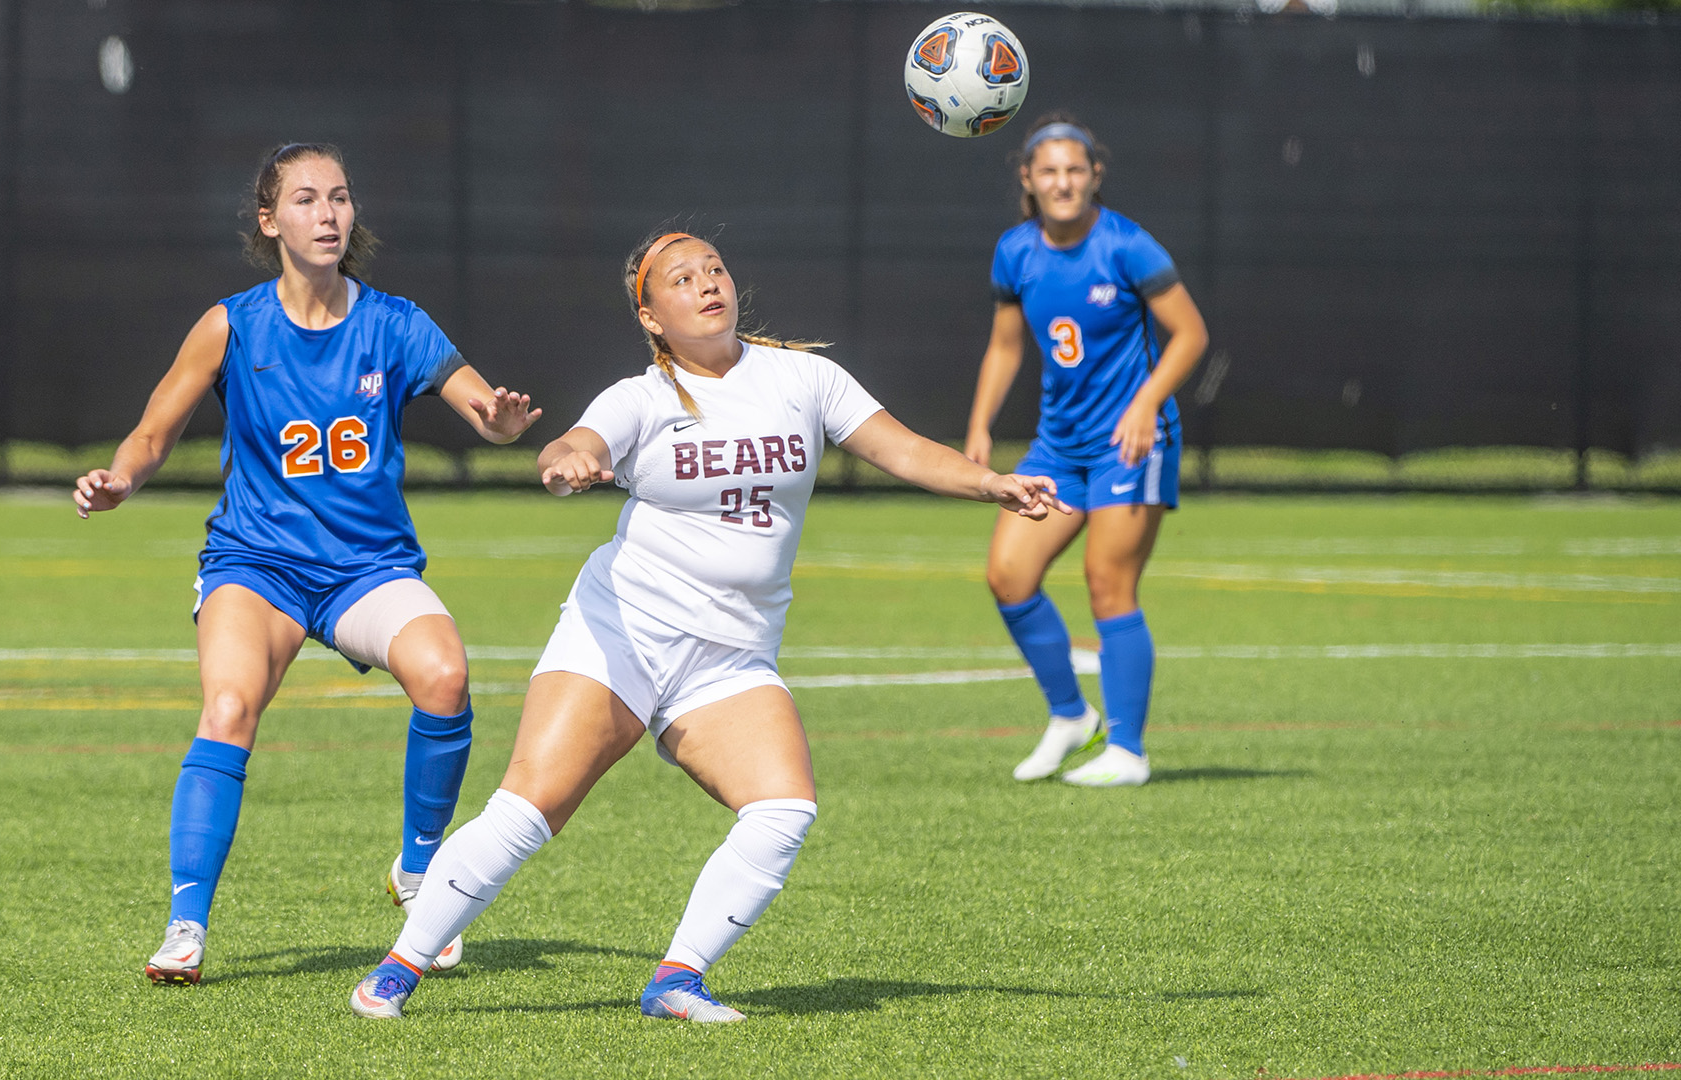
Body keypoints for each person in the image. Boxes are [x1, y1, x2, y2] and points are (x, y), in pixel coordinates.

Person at [345, 229, 1065, 1021]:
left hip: (729, 657)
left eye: (713, 270)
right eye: (681, 280)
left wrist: (992, 483)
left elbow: (906, 450)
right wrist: (565, 462)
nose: (706, 284)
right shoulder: (640, 398)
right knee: (529, 810)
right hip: (621, 634)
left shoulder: (805, 378)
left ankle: (675, 981)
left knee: (784, 808)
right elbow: (576, 442)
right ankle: (399, 967)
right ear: (651, 316)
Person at [71, 142, 541, 984]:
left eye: (340, 198)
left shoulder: (395, 324)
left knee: (445, 675)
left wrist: (501, 422)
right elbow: (151, 433)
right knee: (229, 704)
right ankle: (185, 927)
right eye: (306, 199)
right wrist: (119, 480)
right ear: (269, 219)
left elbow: (482, 406)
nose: (327, 214)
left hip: (366, 566)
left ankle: (417, 871)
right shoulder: (232, 323)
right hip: (258, 565)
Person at [964, 115, 1209, 787]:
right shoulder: (1015, 251)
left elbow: (1190, 334)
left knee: (1109, 586)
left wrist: (1144, 402)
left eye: (1075, 170)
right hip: (1058, 446)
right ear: (1028, 179)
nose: (1062, 182)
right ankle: (1071, 716)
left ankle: (1128, 751)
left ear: (1095, 175)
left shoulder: (1127, 246)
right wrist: (981, 423)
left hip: (1131, 443)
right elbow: (1007, 344)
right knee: (1008, 576)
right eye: (1049, 171)